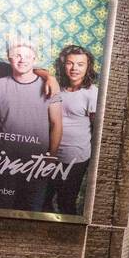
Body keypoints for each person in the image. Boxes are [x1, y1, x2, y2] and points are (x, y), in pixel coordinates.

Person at [0, 41, 63, 212]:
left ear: (34, 58)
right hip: (4, 162)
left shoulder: (48, 87)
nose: (22, 60)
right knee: (2, 209)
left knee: (32, 210)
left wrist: (51, 157)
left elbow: (56, 124)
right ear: (9, 59)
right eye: (17, 55)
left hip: (37, 164)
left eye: (26, 56)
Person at [42, 45, 99, 215]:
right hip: (49, 155)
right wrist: (48, 76)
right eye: (70, 63)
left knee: (65, 202)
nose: (74, 68)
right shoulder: (56, 87)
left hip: (75, 159)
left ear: (88, 66)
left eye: (80, 64)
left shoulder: (92, 93)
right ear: (63, 65)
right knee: (42, 200)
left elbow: (97, 130)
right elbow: (36, 70)